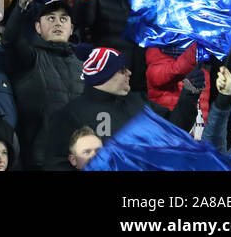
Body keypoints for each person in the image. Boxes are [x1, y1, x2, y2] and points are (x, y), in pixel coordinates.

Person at [42, 46, 199, 169]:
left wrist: (189, 94)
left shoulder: (138, 101)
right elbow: (56, 164)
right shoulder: (71, 114)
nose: (129, 73)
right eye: (122, 69)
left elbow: (174, 129)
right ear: (105, 74)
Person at [4, 0, 83, 170]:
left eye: (63, 19)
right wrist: (21, 7)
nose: (57, 23)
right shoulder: (30, 57)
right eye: (50, 18)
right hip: (41, 161)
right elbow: (10, 39)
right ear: (38, 27)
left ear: (71, 28)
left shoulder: (83, 65)